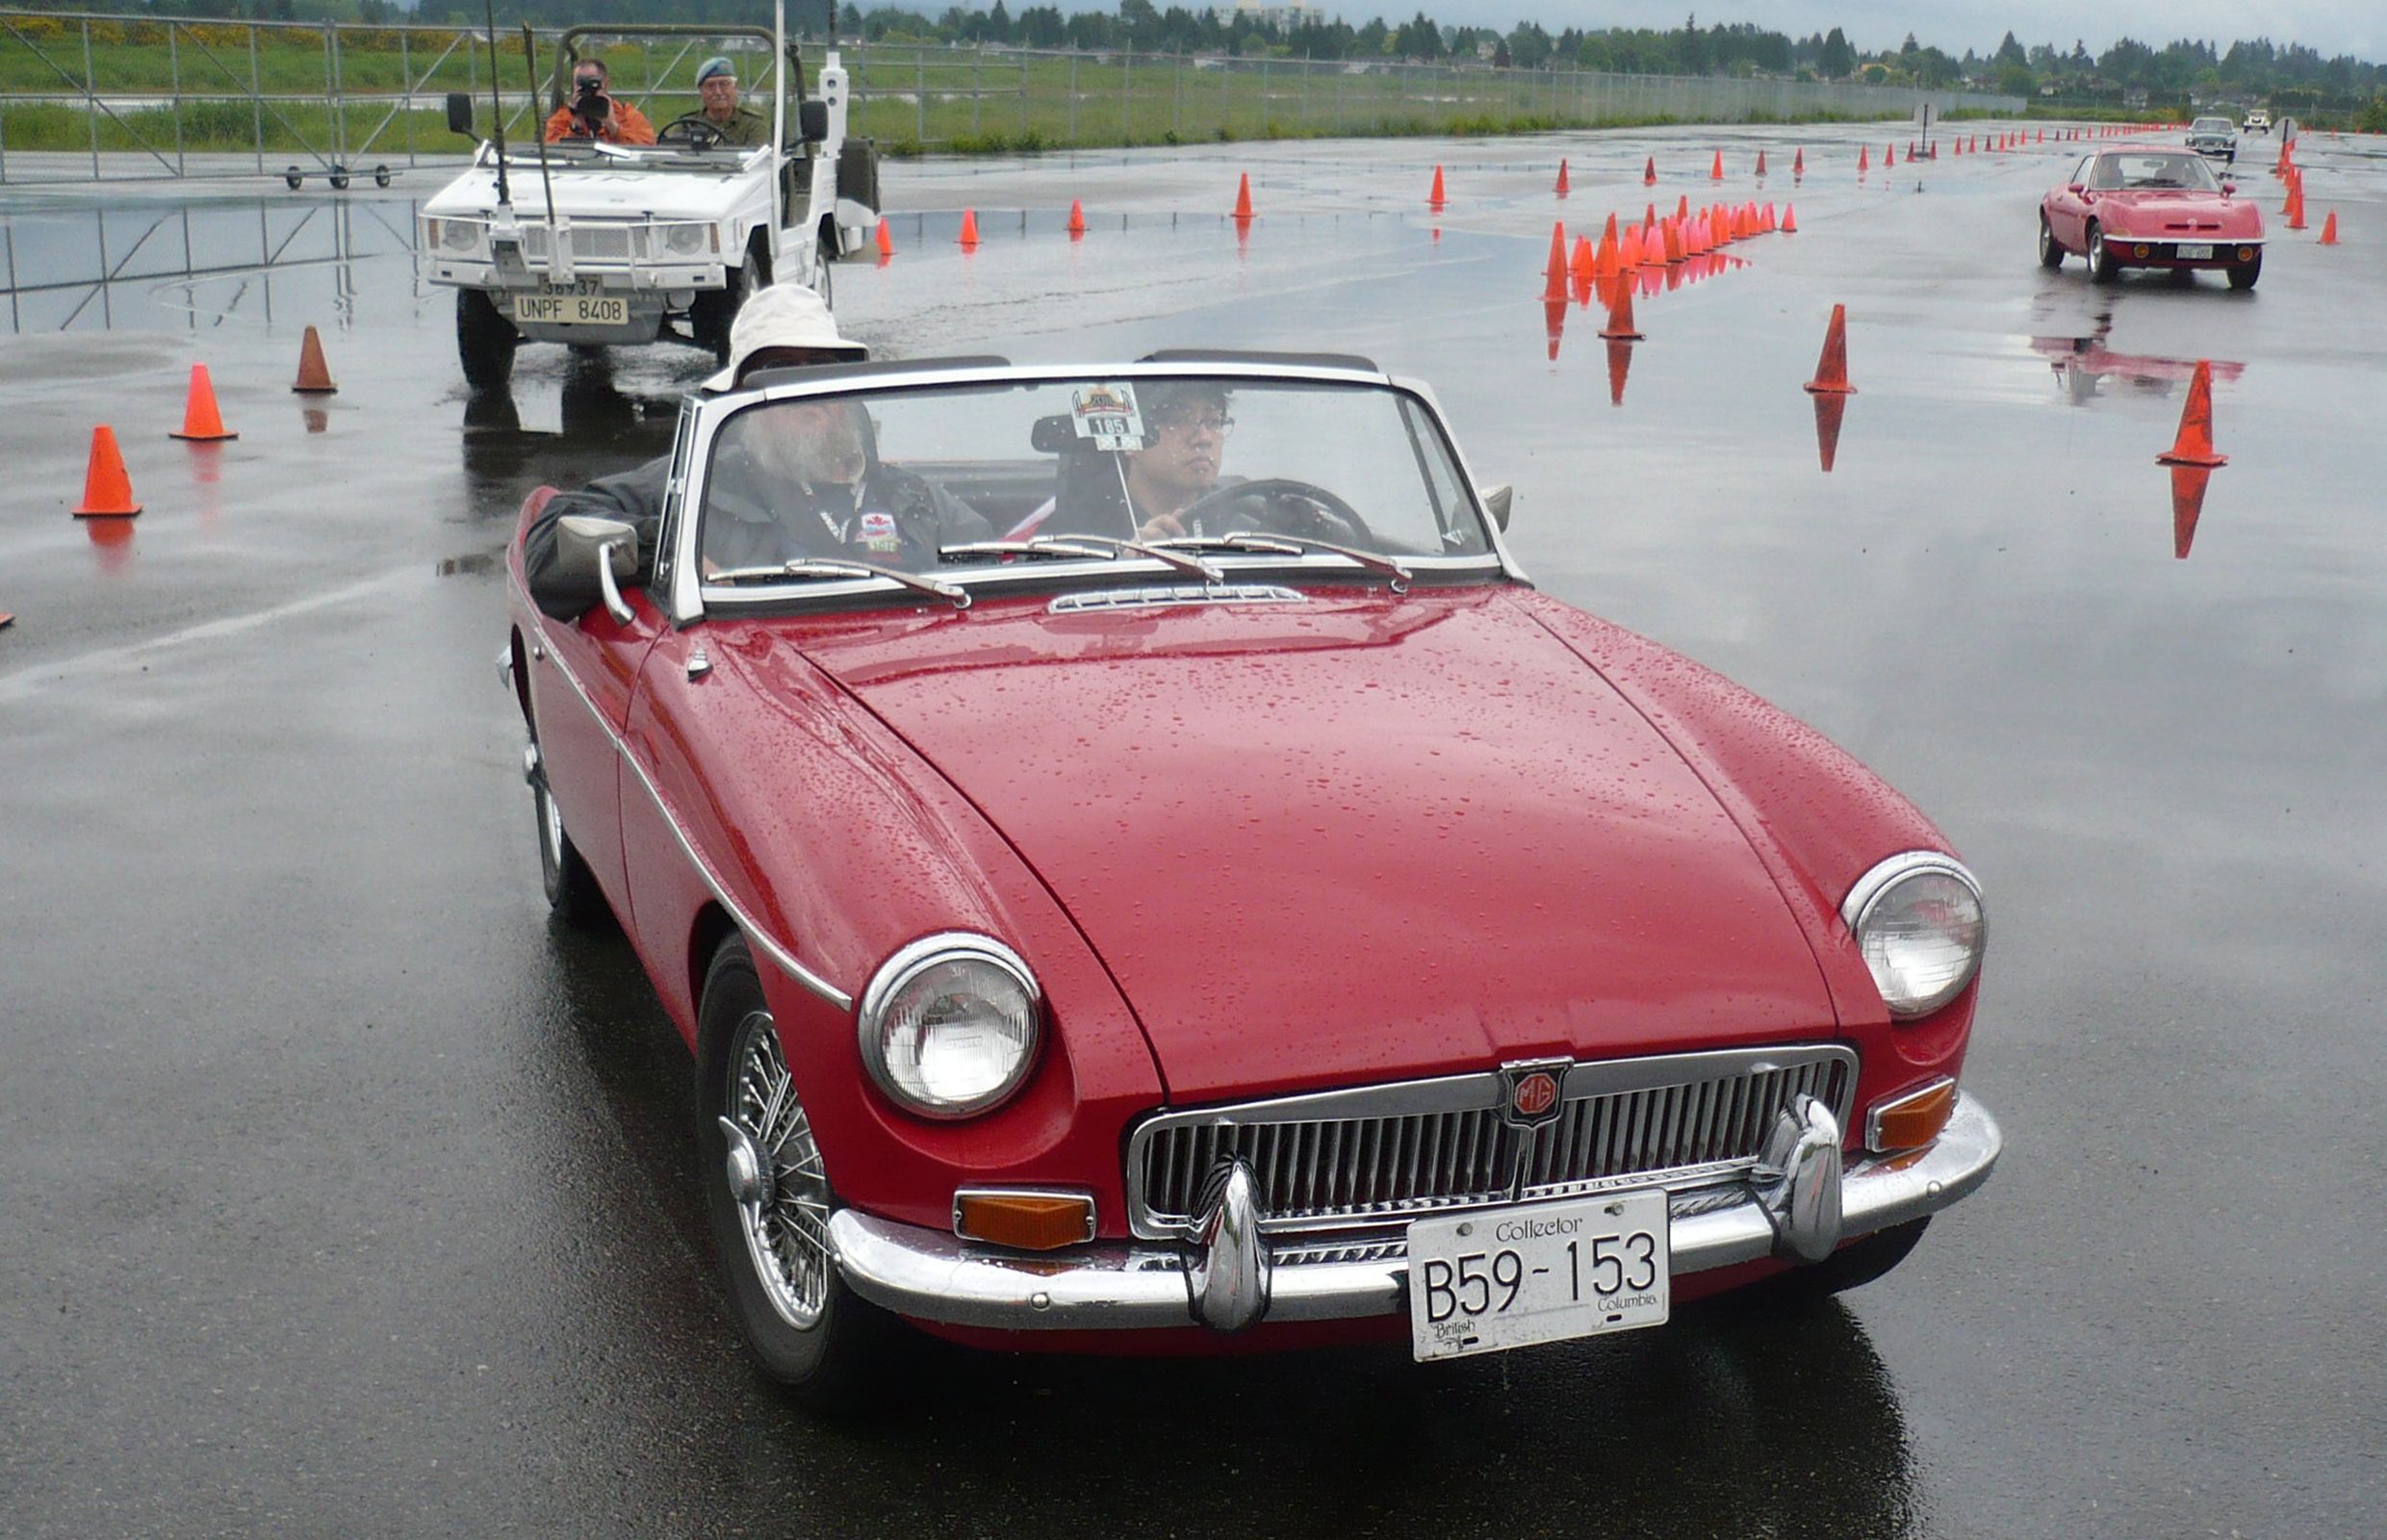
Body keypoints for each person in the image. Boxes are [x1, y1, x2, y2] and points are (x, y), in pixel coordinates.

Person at [523, 285, 987, 620]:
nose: (802, 389)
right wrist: (666, 549)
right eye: (779, 371)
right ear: (742, 396)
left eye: (820, 368)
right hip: (767, 682)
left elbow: (998, 579)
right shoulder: (702, 488)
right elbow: (549, 546)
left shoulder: (910, 496)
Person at [1017, 381, 1235, 542]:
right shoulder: (1073, 534)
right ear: (1129, 440)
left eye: (1214, 422)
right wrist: (1125, 565)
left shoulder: (1241, 521)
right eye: (1177, 421)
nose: (1204, 438)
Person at [543, 56, 656, 146]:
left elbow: (647, 149)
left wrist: (613, 127)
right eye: (580, 83)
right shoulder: (562, 118)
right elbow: (552, 155)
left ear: (605, 84)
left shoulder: (627, 115)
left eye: (592, 83)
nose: (587, 90)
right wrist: (575, 128)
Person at [665, 57, 769, 147]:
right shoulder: (686, 125)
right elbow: (673, 159)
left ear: (735, 88)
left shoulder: (752, 126)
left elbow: (758, 164)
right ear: (701, 91)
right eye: (710, 86)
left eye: (724, 84)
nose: (718, 92)